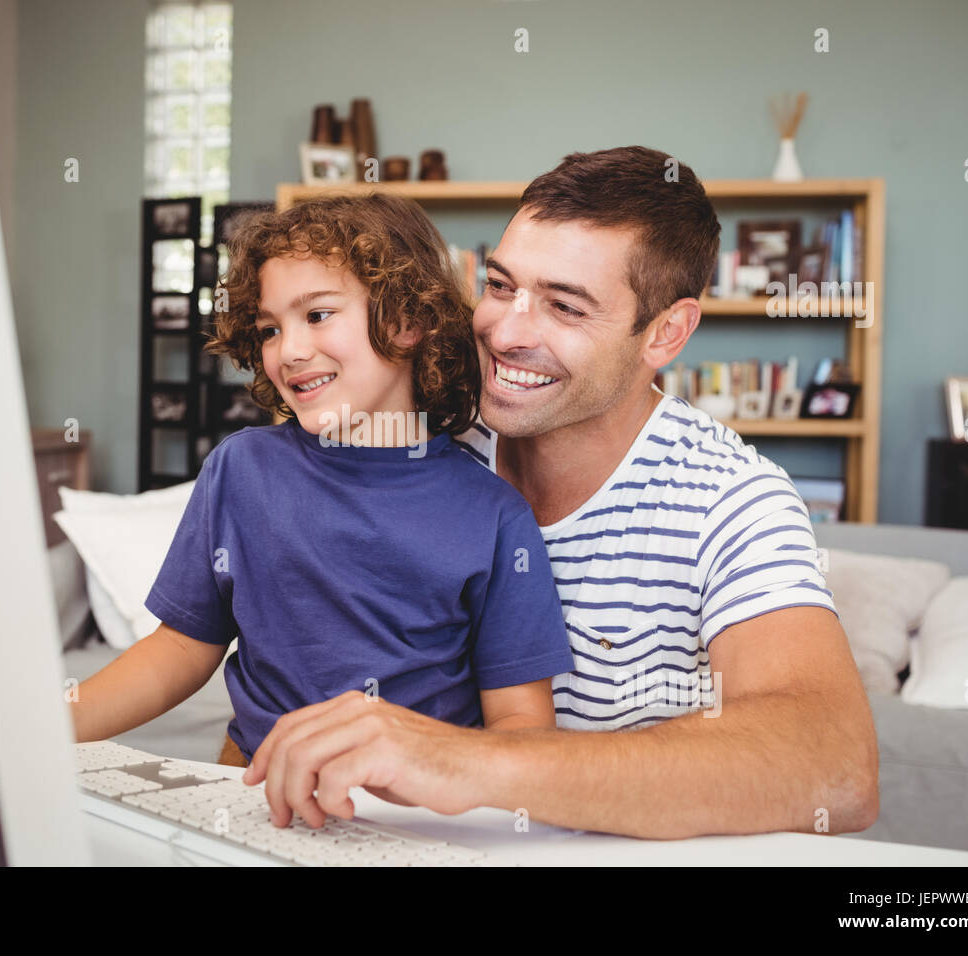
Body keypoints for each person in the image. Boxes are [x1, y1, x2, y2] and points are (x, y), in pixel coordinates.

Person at [242, 146, 881, 838]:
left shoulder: (732, 499)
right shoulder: (417, 435)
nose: (504, 333)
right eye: (498, 285)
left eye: (565, 307)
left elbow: (836, 768)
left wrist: (472, 762)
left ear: (667, 333)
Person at [70, 192, 574, 766]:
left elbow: (520, 723)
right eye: (268, 330)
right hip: (252, 794)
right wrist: (53, 722)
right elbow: (182, 646)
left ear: (407, 321)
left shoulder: (495, 515)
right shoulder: (240, 471)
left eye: (316, 315)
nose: (289, 351)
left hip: (411, 819)